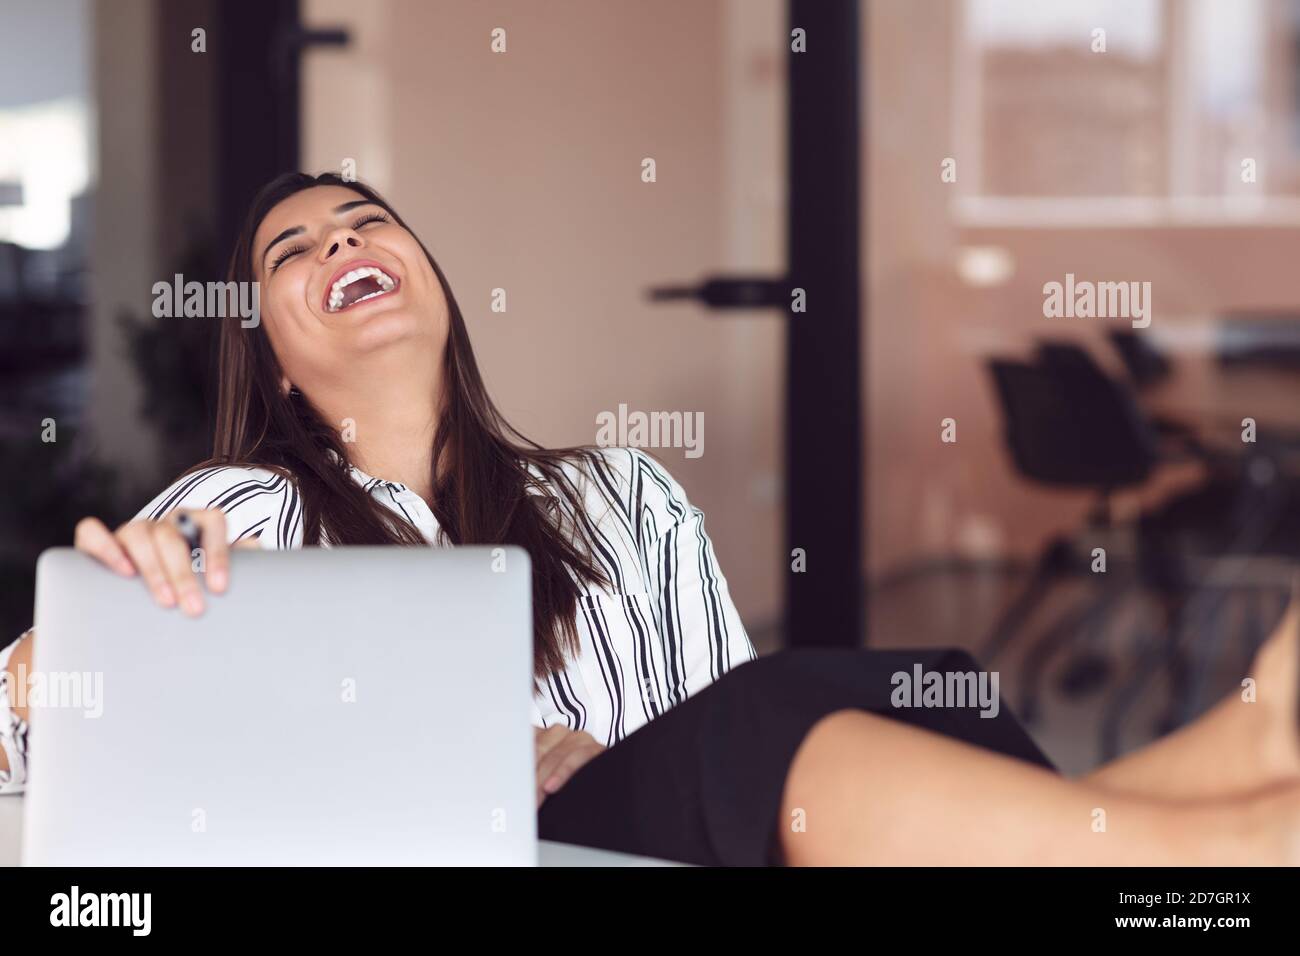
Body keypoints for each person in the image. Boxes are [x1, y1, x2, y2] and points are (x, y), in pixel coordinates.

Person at [3, 172, 1299, 866]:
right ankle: (1215, 819)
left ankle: (1225, 792)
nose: (338, 239)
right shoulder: (233, 507)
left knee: (894, 691)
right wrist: (44, 676)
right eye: (292, 253)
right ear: (275, 360)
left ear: (432, 284)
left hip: (677, 838)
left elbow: (764, 767)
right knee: (771, 716)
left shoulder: (623, 490)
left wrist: (609, 759)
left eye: (366, 220)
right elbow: (59, 767)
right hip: (488, 862)